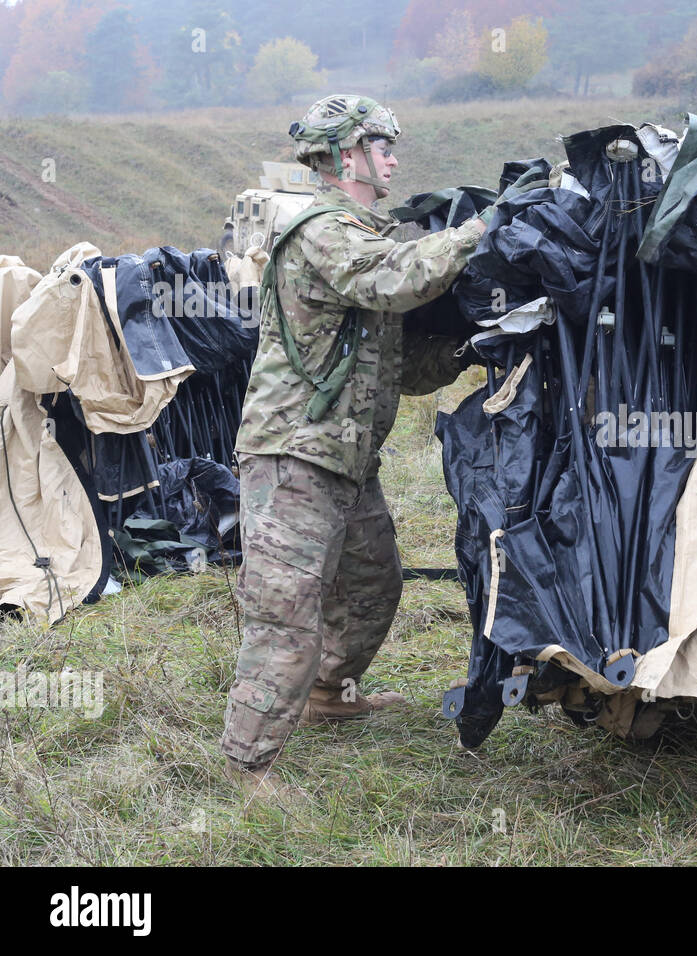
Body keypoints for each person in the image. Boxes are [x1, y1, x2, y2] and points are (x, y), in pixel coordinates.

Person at [220, 94, 488, 797]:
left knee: (372, 587)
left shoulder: (363, 234)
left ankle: (328, 694)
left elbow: (403, 369)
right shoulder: (323, 231)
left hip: (345, 459)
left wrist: (472, 346)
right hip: (294, 453)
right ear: (347, 154)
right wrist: (479, 231)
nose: (394, 160)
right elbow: (392, 279)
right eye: (383, 147)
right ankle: (248, 765)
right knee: (285, 613)